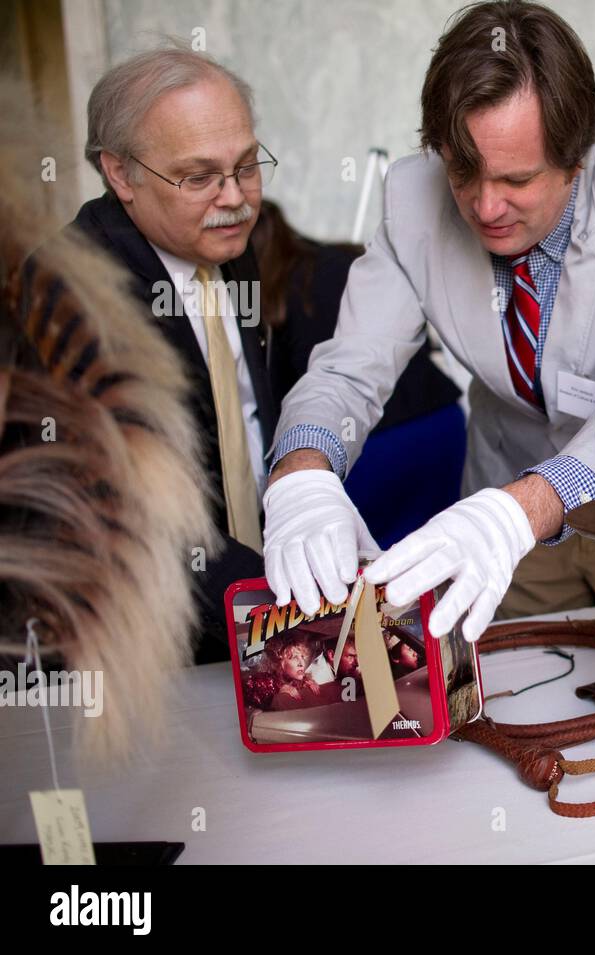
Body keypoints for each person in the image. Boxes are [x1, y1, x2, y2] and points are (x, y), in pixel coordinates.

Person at [263, 0, 595, 643]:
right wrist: (302, 473)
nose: (485, 207)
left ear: (578, 161)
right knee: (498, 706)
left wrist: (524, 511)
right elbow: (351, 365)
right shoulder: (411, 198)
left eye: (517, 179)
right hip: (508, 520)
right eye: (463, 171)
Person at [63, 46, 279, 663]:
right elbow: (134, 521)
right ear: (120, 174)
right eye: (199, 177)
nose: (236, 197)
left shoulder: (223, 237)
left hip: (240, 599)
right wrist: (283, 609)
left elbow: (242, 416)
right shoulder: (78, 303)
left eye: (246, 166)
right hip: (141, 647)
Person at [250, 200, 466, 545]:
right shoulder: (346, 258)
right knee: (435, 552)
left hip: (369, 446)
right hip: (439, 423)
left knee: (367, 570)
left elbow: (281, 393)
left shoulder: (271, 298)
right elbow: (415, 338)